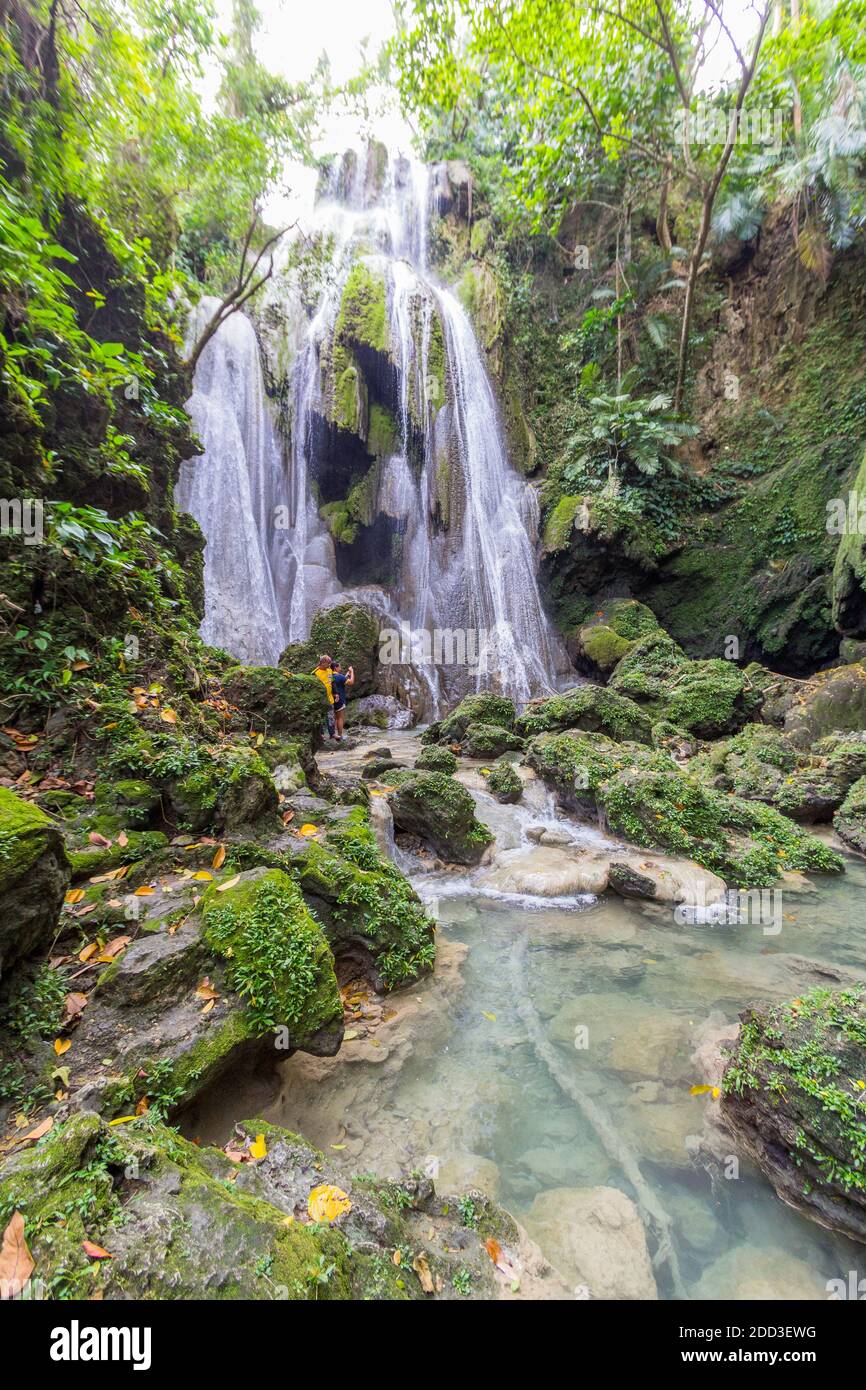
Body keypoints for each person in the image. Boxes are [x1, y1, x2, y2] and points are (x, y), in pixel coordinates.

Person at [312, 654, 336, 739]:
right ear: (322, 662)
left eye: (330, 663)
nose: (330, 665)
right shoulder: (315, 673)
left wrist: (336, 693)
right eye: (328, 663)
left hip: (330, 698)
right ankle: (321, 734)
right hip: (320, 700)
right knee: (320, 717)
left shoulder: (329, 670)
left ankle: (332, 734)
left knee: (331, 717)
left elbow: (332, 683)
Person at [330, 661, 354, 741]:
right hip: (340, 699)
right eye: (339, 667)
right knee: (340, 718)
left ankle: (333, 734)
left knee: (334, 717)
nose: (340, 668)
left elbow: (340, 681)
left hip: (331, 699)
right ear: (335, 668)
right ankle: (340, 735)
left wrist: (346, 675)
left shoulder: (330, 676)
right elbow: (351, 682)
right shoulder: (340, 677)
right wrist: (352, 671)